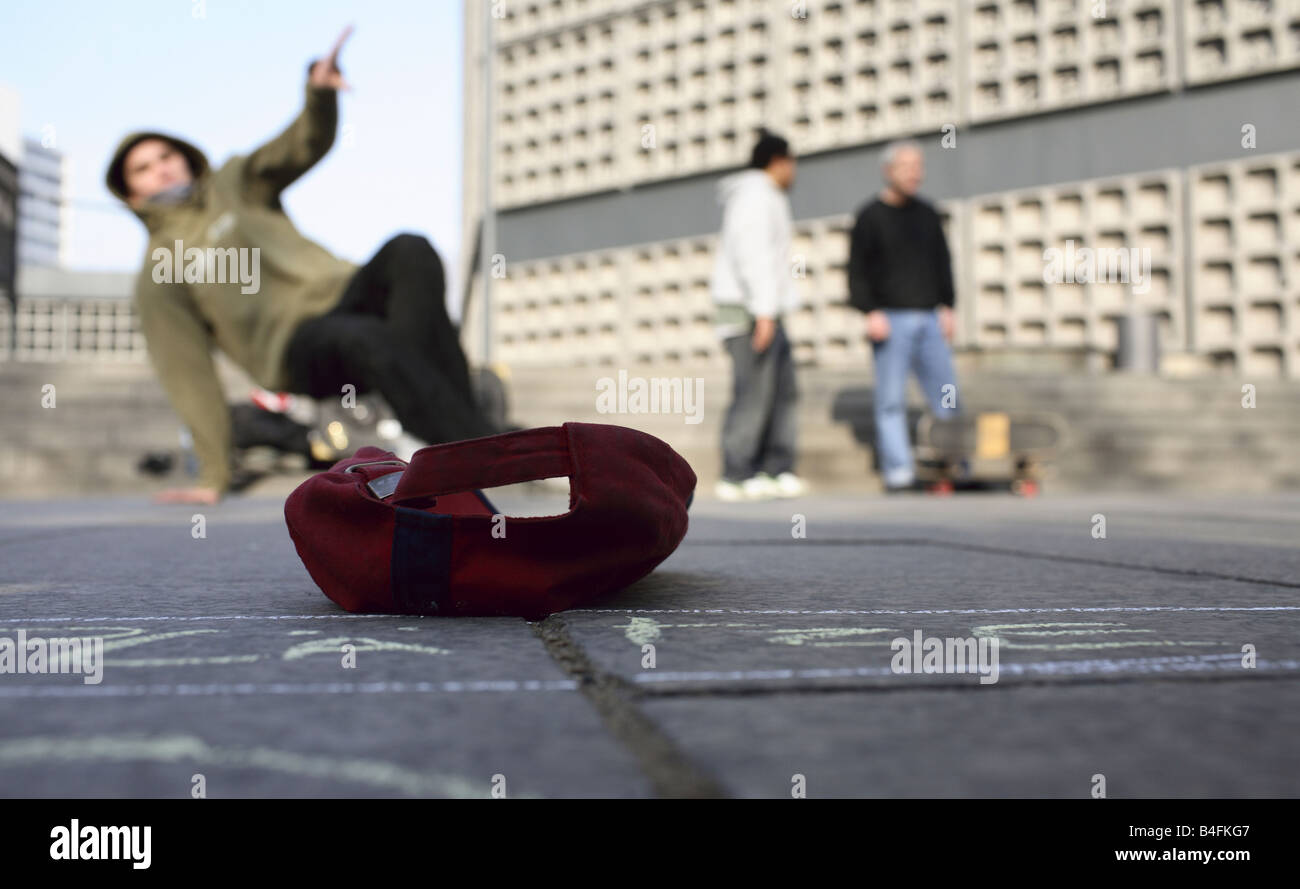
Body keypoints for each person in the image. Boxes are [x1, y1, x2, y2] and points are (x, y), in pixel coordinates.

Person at [105, 27, 493, 505]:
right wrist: (213, 474)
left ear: (186, 159)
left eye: (166, 156)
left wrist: (319, 96)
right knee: (362, 337)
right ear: (130, 193)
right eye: (143, 169)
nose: (161, 168)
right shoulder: (158, 272)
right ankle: (482, 448)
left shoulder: (233, 184)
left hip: (347, 293)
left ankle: (461, 438)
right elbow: (188, 372)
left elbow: (296, 146)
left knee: (409, 249)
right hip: (296, 349)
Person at [847, 140, 959, 492]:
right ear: (888, 170)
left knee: (947, 395)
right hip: (889, 320)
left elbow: (943, 262)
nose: (915, 172)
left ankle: (953, 466)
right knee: (891, 400)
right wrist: (870, 311)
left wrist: (948, 306)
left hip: (929, 317)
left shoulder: (928, 214)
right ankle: (899, 473)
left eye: (919, 165)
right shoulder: (869, 216)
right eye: (907, 165)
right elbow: (857, 270)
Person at [709, 131, 809, 502]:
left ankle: (775, 468)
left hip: (767, 312)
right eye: (793, 163)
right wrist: (764, 311)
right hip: (750, 314)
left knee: (781, 394)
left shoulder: (766, 196)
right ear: (779, 161)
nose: (795, 172)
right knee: (753, 393)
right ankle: (736, 473)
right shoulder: (753, 197)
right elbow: (751, 255)